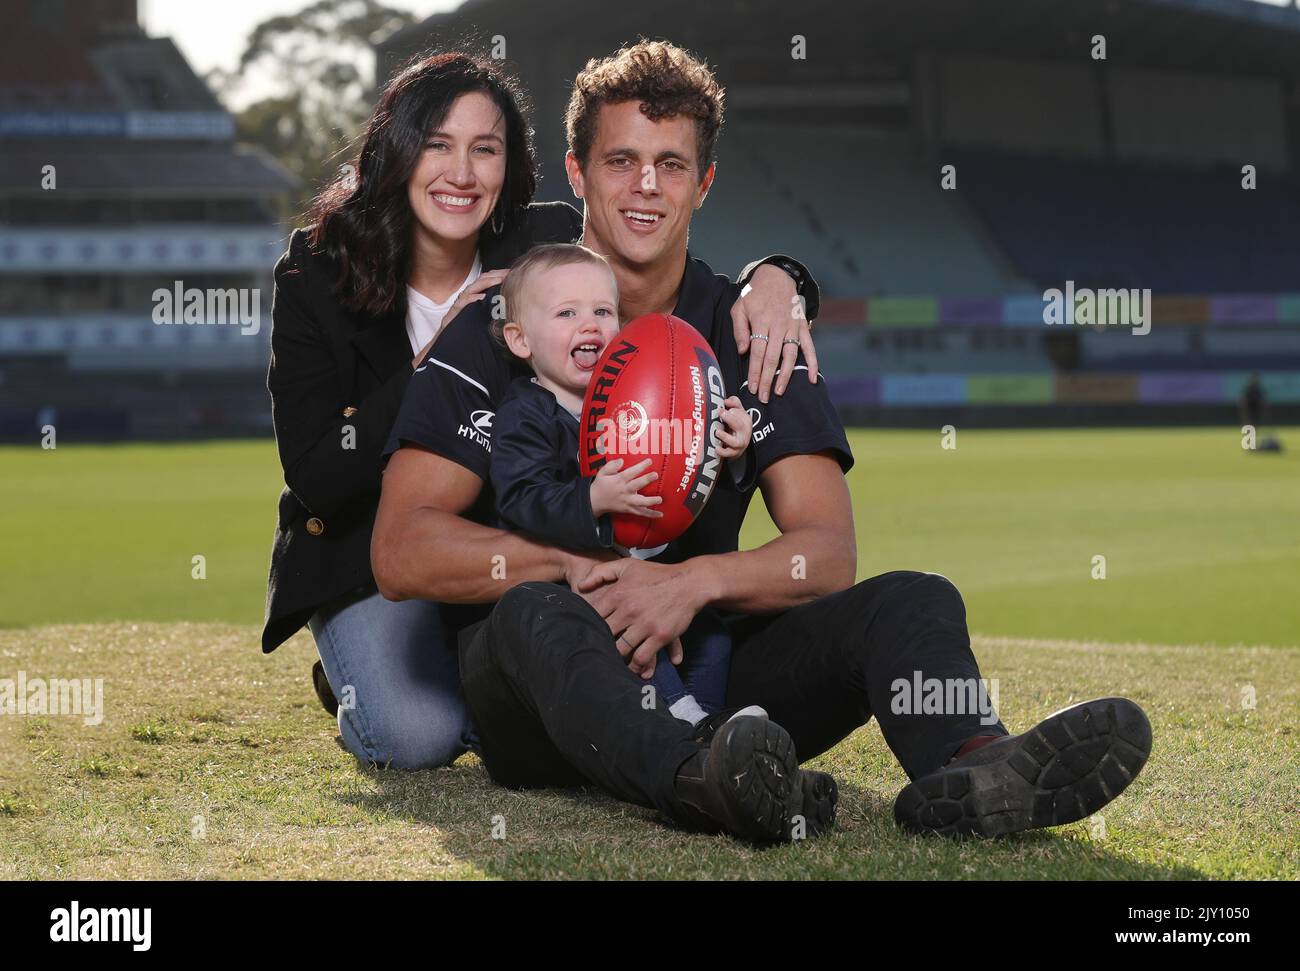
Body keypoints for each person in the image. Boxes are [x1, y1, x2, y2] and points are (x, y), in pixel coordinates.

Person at [374, 40, 1153, 842]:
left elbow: (826, 551)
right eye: (621, 161)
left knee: (915, 596)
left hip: (714, 678)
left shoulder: (757, 331)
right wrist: (579, 565)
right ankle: (697, 780)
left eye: (672, 165)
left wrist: (691, 585)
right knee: (534, 611)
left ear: (704, 182)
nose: (647, 186)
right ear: (576, 174)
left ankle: (977, 762)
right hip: (543, 687)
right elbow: (402, 548)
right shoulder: (505, 325)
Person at [263, 50, 823, 770]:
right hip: (366, 555)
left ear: (510, 166)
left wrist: (776, 279)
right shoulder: (316, 271)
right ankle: (360, 683)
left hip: (507, 534)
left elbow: (659, 251)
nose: (461, 174)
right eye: (437, 145)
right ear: (397, 150)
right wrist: (431, 357)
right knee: (417, 735)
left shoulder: (541, 240)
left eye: (484, 150)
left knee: (527, 663)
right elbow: (319, 473)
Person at [488, 242, 760, 727]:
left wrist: (728, 445)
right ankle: (686, 732)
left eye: (603, 311)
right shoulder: (526, 413)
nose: (589, 324)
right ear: (520, 340)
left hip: (657, 579)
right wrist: (590, 499)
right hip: (584, 594)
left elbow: (684, 459)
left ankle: (711, 724)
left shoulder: (641, 397)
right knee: (632, 646)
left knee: (712, 636)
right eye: (566, 313)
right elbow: (519, 499)